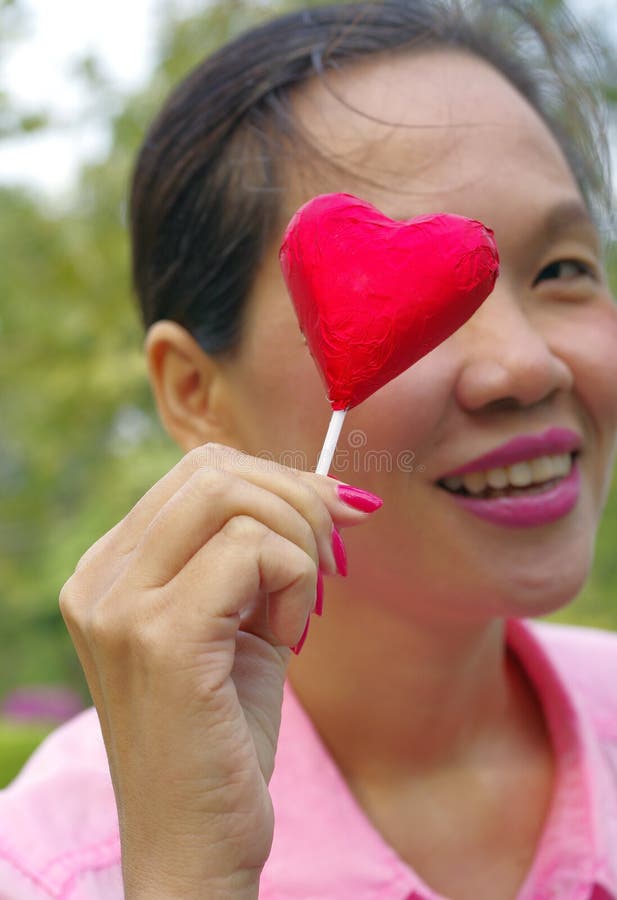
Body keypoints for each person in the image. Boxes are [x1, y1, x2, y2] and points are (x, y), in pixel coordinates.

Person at [2, 1, 617, 897]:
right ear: (191, 392)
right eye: (416, 297)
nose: (524, 367)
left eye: (562, 269)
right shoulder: (53, 868)